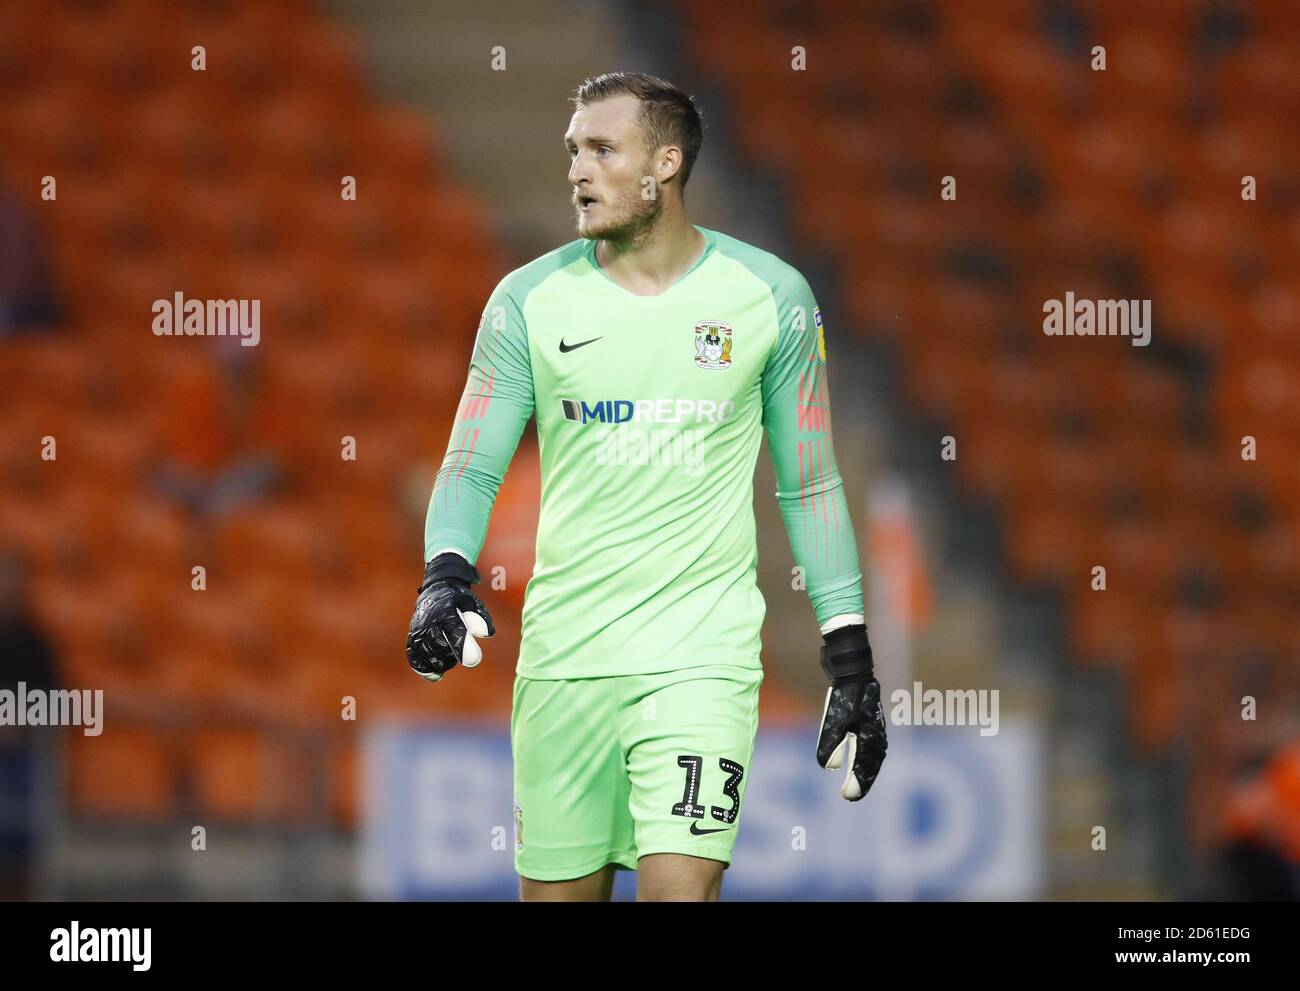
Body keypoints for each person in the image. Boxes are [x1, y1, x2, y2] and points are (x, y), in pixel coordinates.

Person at [406, 72, 886, 902]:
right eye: (571, 152)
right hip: (563, 664)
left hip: (701, 662)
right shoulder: (525, 301)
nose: (576, 171)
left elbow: (810, 481)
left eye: (601, 149)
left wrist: (850, 655)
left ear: (664, 163)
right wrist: (444, 575)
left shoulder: (771, 298)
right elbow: (471, 463)